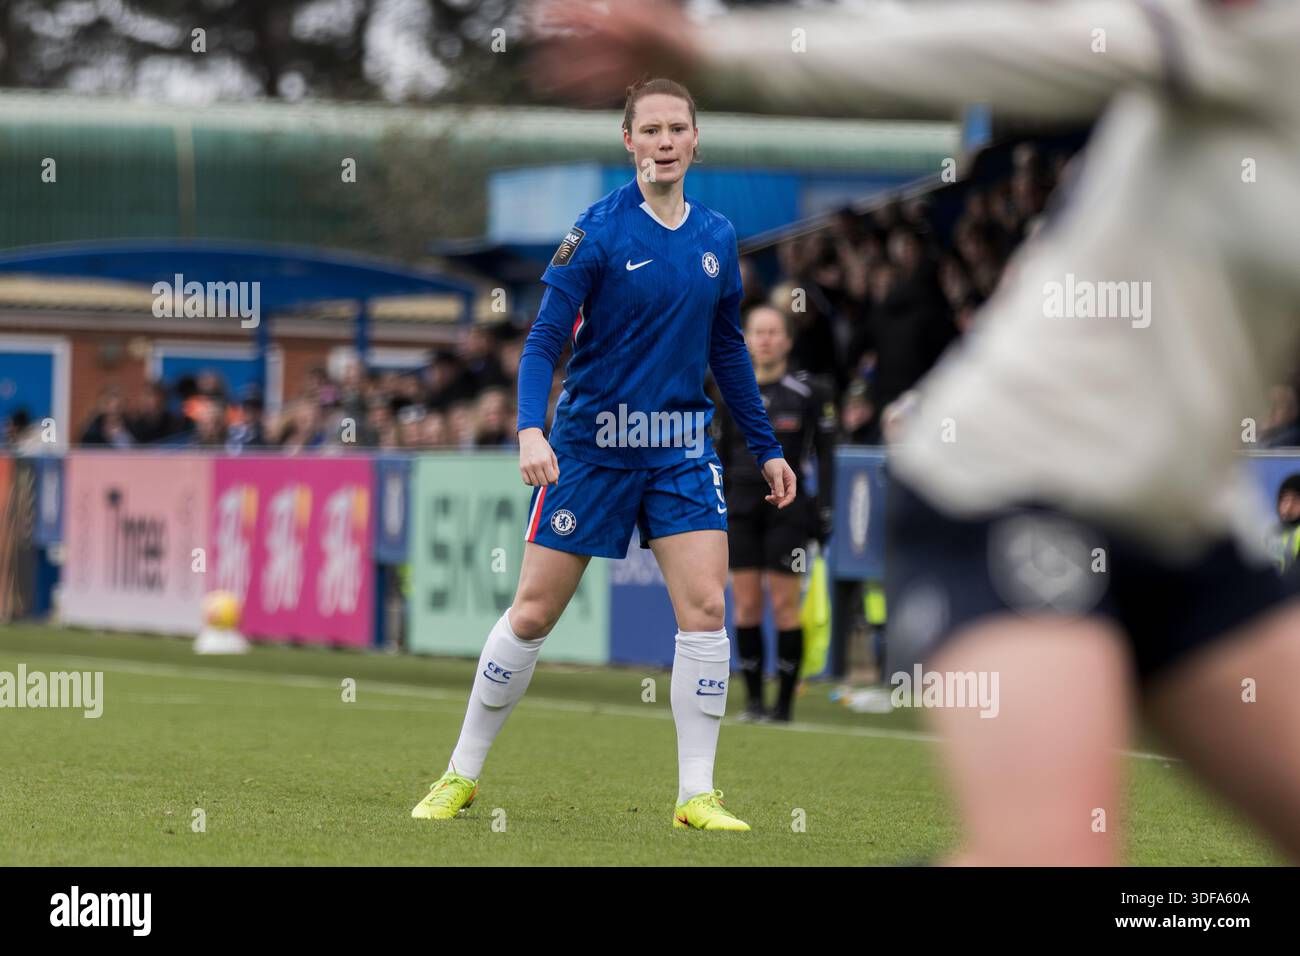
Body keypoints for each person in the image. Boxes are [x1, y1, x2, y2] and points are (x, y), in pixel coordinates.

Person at [529, 0, 1300, 865]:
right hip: (1013, 481)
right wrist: (718, 52)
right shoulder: (1256, 43)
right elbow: (1003, 45)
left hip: (1185, 519)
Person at [411, 77, 797, 831]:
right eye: (648, 129)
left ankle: (696, 795)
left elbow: (727, 348)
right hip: (590, 448)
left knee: (706, 609)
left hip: (680, 447)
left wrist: (768, 447)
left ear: (693, 140)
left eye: (675, 129)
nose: (662, 141)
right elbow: (543, 342)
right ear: (628, 142)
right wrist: (530, 428)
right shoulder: (596, 233)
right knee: (531, 615)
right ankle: (460, 774)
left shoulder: (718, 236)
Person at [716, 304, 836, 722]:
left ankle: (783, 707)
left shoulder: (809, 392)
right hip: (741, 507)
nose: (764, 339)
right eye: (757, 332)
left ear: (786, 340)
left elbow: (827, 454)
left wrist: (825, 509)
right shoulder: (727, 388)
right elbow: (719, 452)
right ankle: (752, 703)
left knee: (785, 606)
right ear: (746, 338)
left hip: (788, 508)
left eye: (773, 332)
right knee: (746, 607)